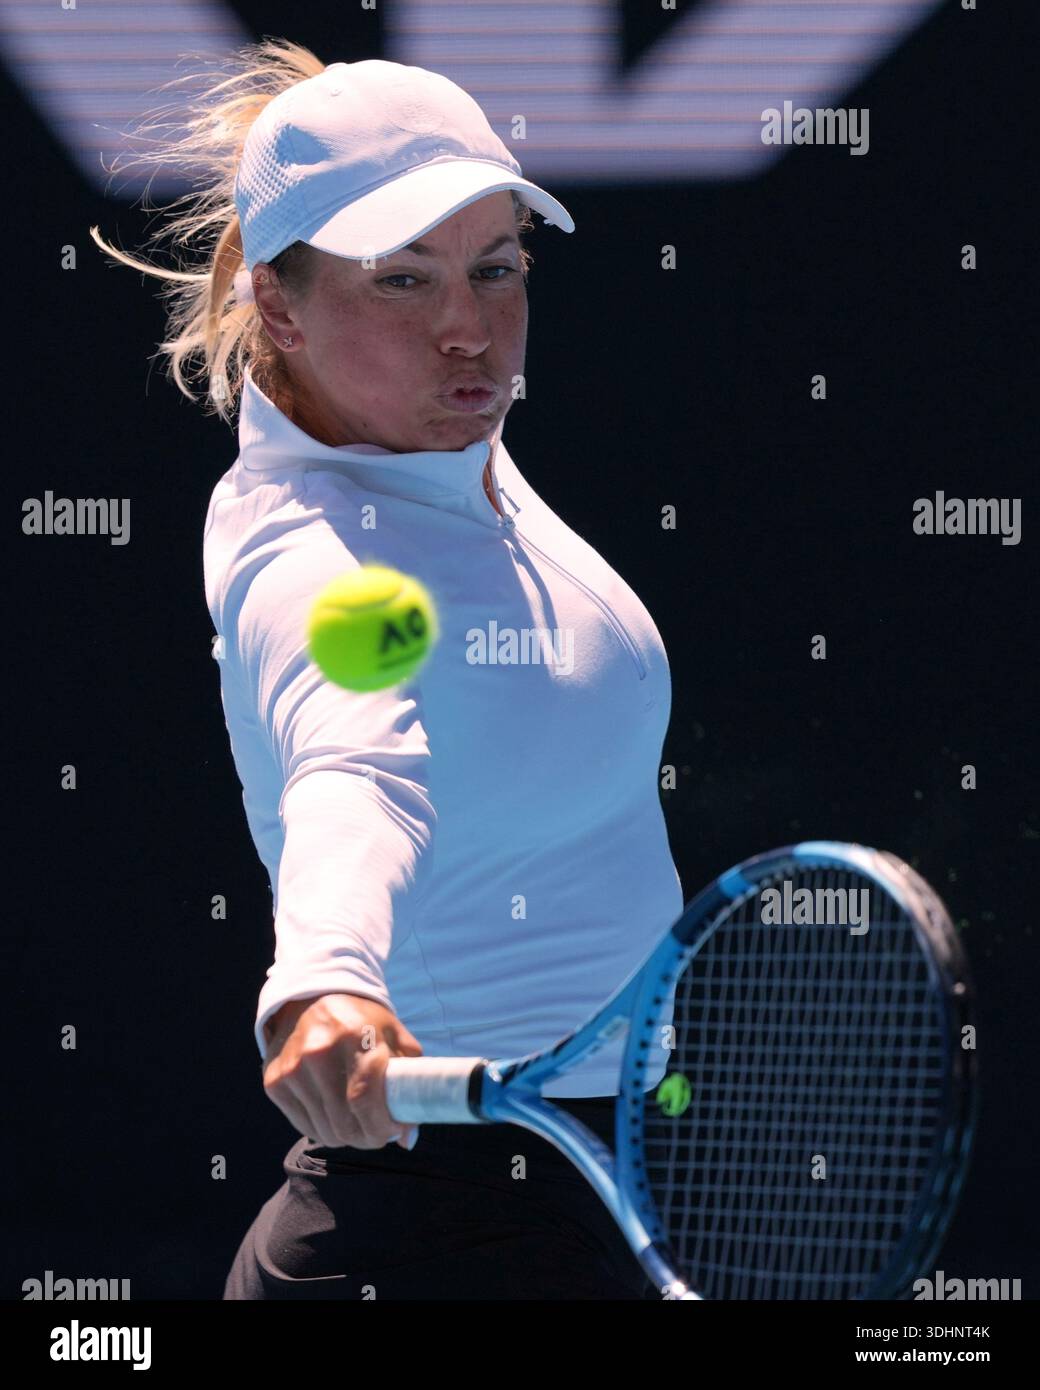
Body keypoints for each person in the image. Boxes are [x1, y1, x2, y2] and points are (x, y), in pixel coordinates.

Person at [93, 39, 683, 1300]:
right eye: (402, 279)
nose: (469, 328)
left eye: (495, 267)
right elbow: (353, 767)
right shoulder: (327, 562)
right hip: (444, 1242)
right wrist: (322, 983)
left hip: (582, 1194)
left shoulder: (431, 444)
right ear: (277, 306)